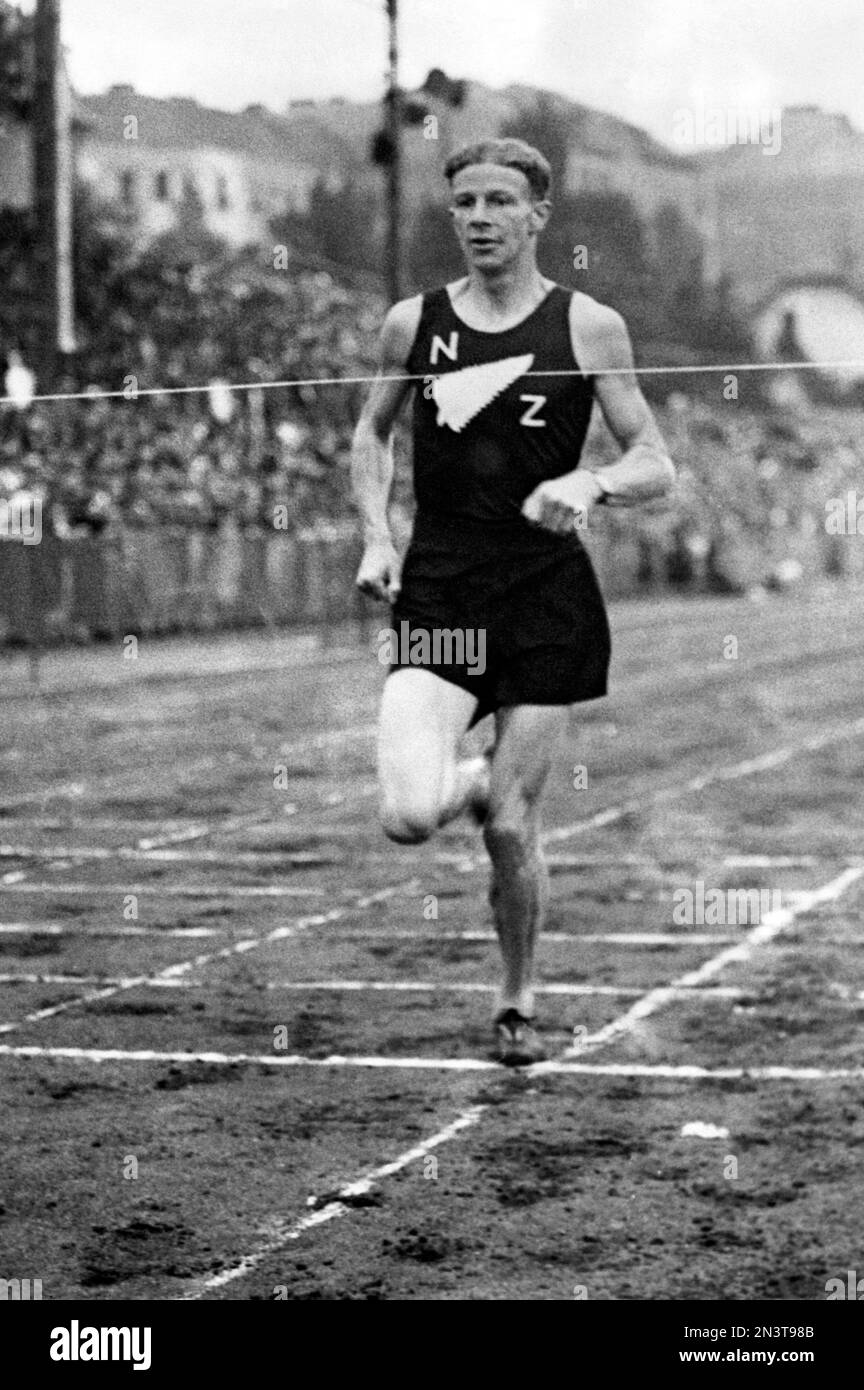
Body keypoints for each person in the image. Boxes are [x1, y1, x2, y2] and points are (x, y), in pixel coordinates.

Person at [351, 138, 675, 1064]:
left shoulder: (589, 327)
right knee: (410, 816)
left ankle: (517, 998)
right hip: (444, 592)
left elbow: (657, 458)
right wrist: (378, 534)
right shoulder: (411, 325)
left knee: (509, 828)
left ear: (539, 216)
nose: (481, 218)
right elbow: (370, 438)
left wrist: (595, 485)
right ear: (450, 214)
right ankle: (471, 775)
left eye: (500, 201)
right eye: (465, 202)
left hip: (543, 594)